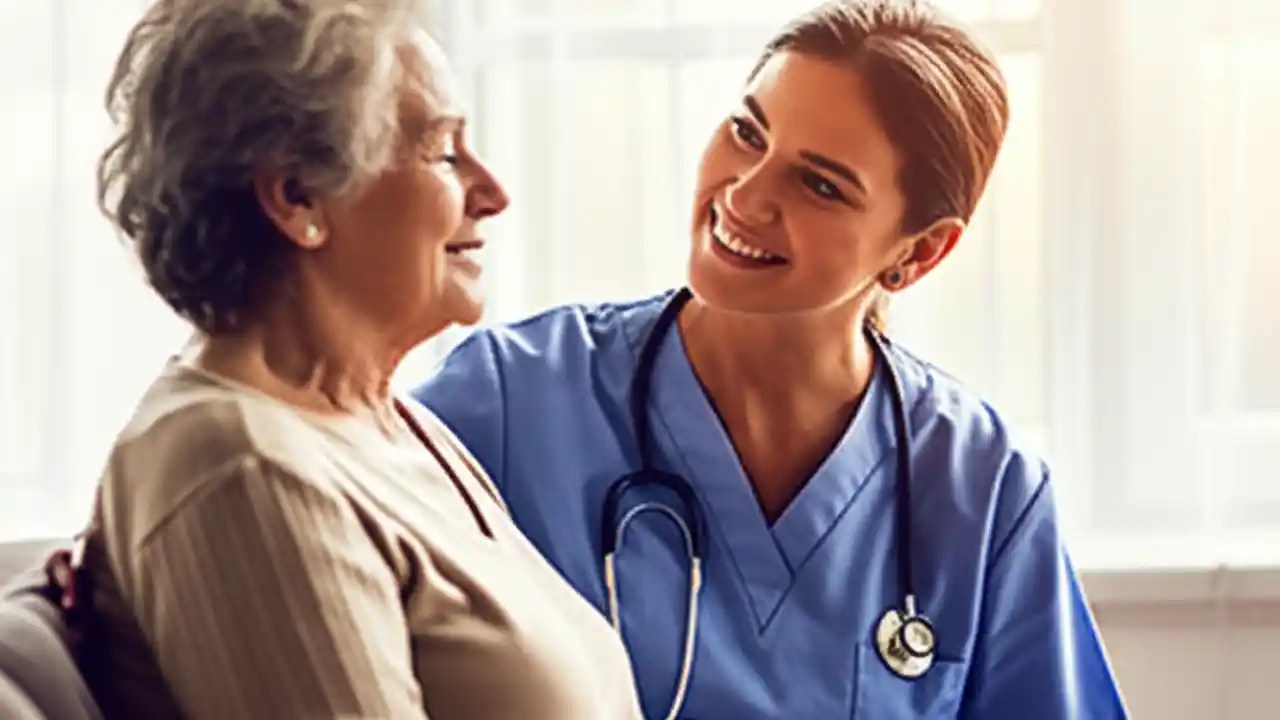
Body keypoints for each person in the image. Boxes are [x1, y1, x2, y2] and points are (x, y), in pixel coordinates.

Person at [413, 0, 1128, 717]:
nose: (746, 197)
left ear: (920, 251)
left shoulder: (981, 485)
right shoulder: (511, 400)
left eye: (820, 184)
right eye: (748, 132)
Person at [55, 1, 644, 718]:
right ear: (297, 197)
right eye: (444, 153)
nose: (492, 193)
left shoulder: (387, 425)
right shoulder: (244, 468)